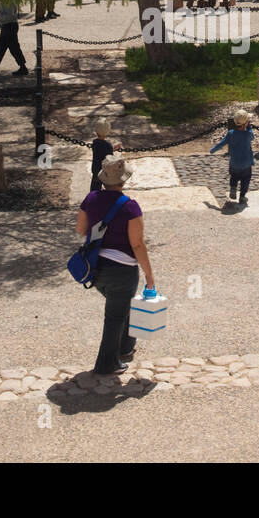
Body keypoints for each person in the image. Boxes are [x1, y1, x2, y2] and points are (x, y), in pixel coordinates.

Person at [75, 155, 154, 376]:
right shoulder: (130, 207)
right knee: (114, 317)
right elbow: (137, 244)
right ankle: (106, 365)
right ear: (123, 180)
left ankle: (126, 347)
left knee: (120, 306)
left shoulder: (91, 198)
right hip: (123, 271)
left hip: (97, 270)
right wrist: (150, 275)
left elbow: (80, 229)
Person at [210, 109, 255, 205]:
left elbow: (221, 143)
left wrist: (213, 150)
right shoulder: (248, 134)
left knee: (234, 177)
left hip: (234, 163)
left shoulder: (230, 133)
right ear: (246, 123)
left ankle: (233, 188)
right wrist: (249, 128)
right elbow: (252, 137)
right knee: (245, 180)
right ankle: (242, 197)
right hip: (246, 164)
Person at [0, 2, 29, 75]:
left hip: (10, 25)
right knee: (1, 47)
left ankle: (23, 67)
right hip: (7, 25)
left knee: (13, 48)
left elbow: (10, 16)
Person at [89, 118, 123, 192]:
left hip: (95, 169)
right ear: (108, 131)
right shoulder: (107, 145)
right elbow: (109, 158)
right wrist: (113, 149)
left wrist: (112, 148)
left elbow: (101, 151)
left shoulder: (95, 142)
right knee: (108, 187)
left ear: (96, 131)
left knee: (94, 189)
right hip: (104, 171)